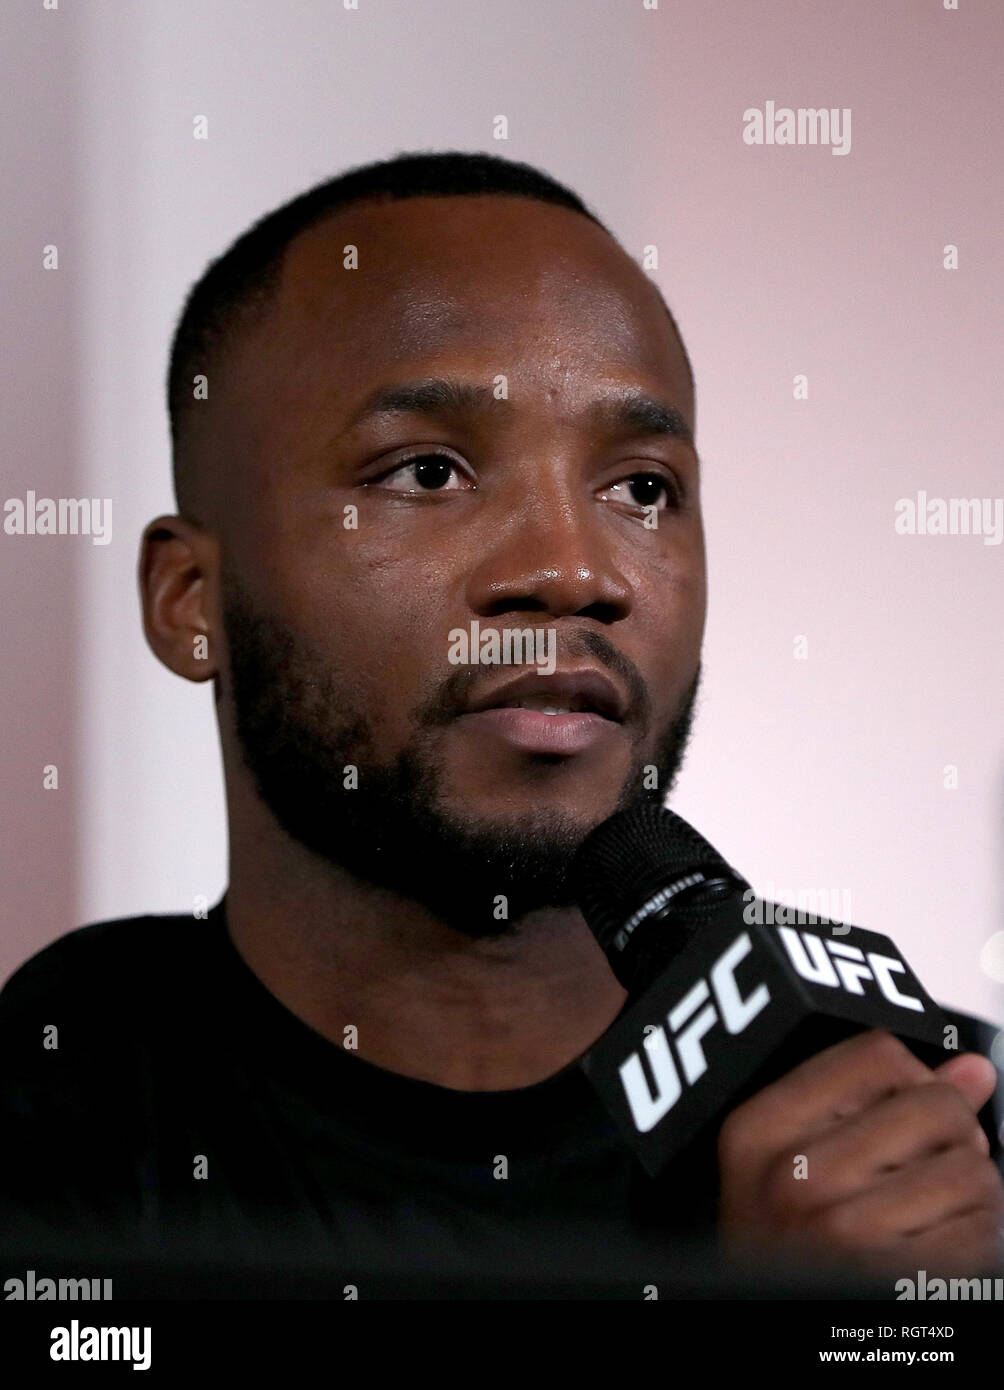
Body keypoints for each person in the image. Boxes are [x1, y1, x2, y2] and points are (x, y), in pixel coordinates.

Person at [1, 151, 1000, 1298]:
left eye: (640, 489)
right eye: (427, 472)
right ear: (191, 603)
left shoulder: (942, 1124)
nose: (573, 571)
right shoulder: (58, 1115)